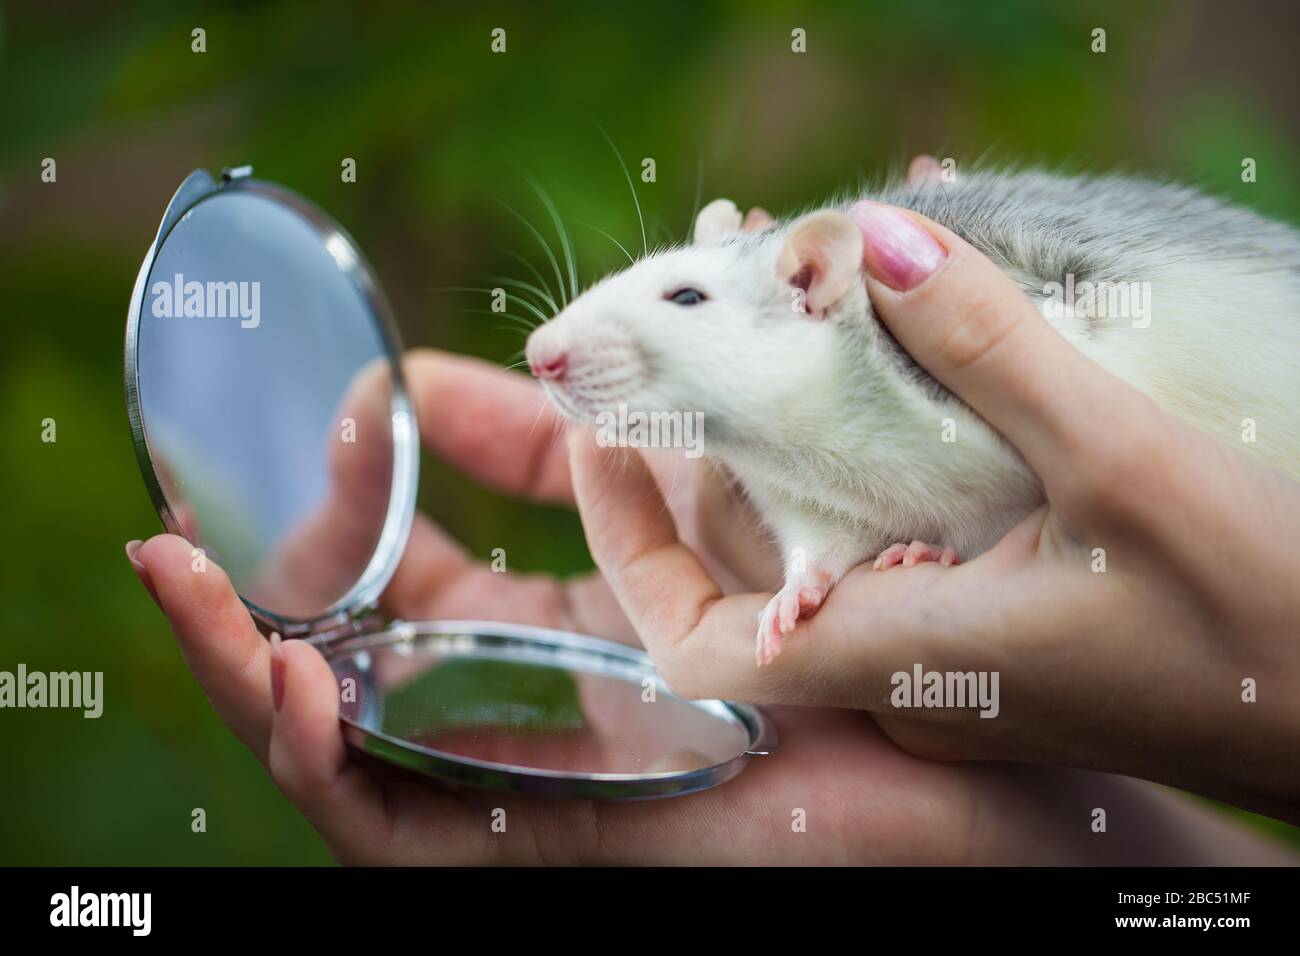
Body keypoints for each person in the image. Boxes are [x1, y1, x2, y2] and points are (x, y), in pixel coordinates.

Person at [125, 199, 1300, 864]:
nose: (548, 351)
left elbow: (1010, 468)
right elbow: (825, 504)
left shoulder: (903, 357)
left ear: (812, 289)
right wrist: (997, 831)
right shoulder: (781, 453)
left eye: (686, 298)